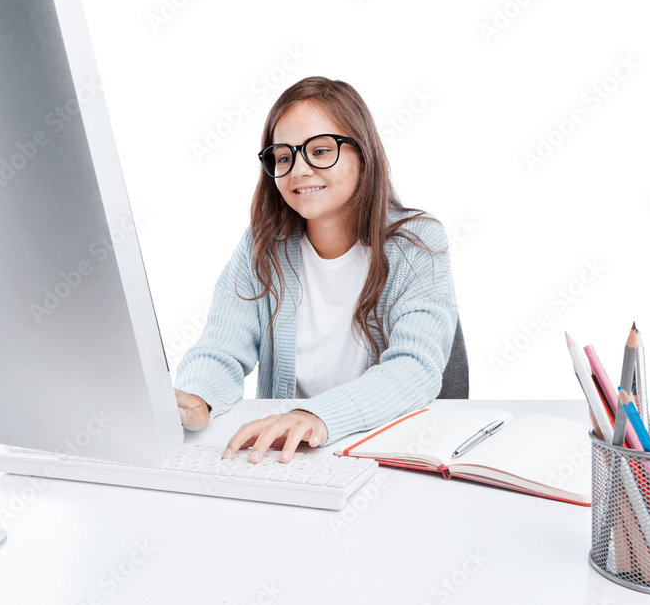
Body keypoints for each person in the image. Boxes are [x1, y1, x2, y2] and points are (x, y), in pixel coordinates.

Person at [173, 76, 458, 465]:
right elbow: (222, 347)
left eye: (320, 151)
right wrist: (198, 396)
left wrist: (314, 416)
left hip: (384, 451)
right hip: (289, 458)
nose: (299, 170)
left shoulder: (416, 242)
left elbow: (415, 368)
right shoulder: (263, 246)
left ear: (364, 154)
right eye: (284, 156)